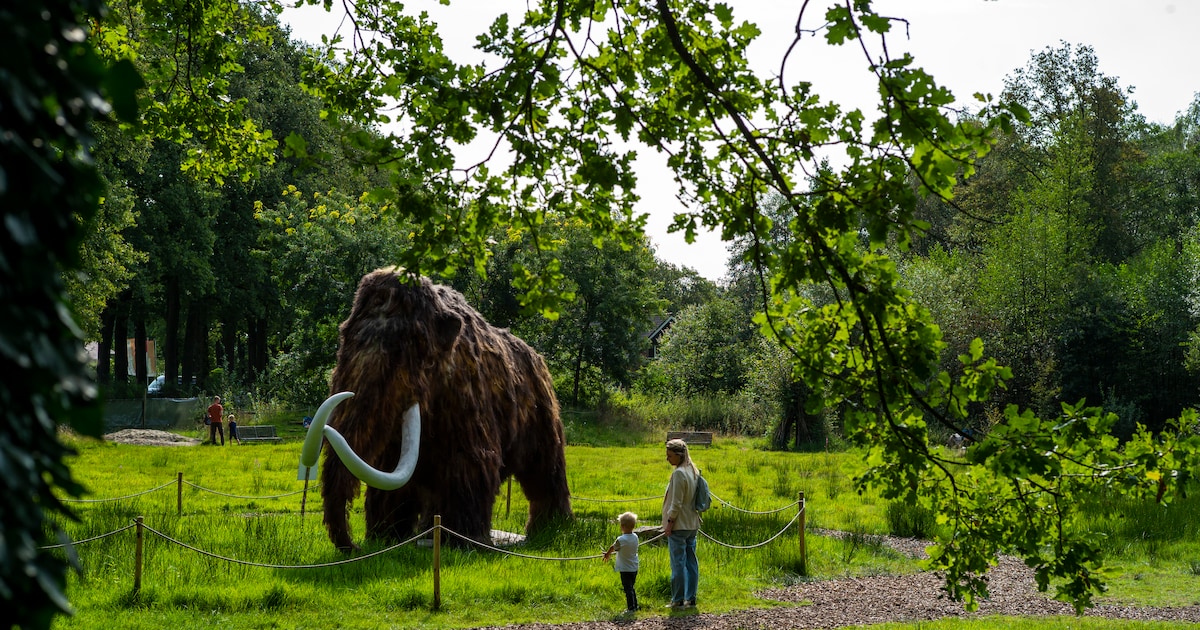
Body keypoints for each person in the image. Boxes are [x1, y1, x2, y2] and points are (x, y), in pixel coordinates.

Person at [663, 438, 701, 609]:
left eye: (670, 455)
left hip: (679, 524)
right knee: (691, 561)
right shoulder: (693, 470)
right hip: (692, 524)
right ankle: (690, 597)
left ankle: (677, 599)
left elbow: (676, 503)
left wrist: (669, 523)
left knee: (678, 563)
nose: (667, 459)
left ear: (679, 455)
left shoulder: (679, 473)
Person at [602, 511, 640, 614]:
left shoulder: (621, 539)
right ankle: (635, 605)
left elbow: (613, 547)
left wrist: (607, 554)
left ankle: (631, 608)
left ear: (622, 526)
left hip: (625, 568)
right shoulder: (635, 537)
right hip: (634, 567)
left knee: (627, 588)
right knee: (631, 587)